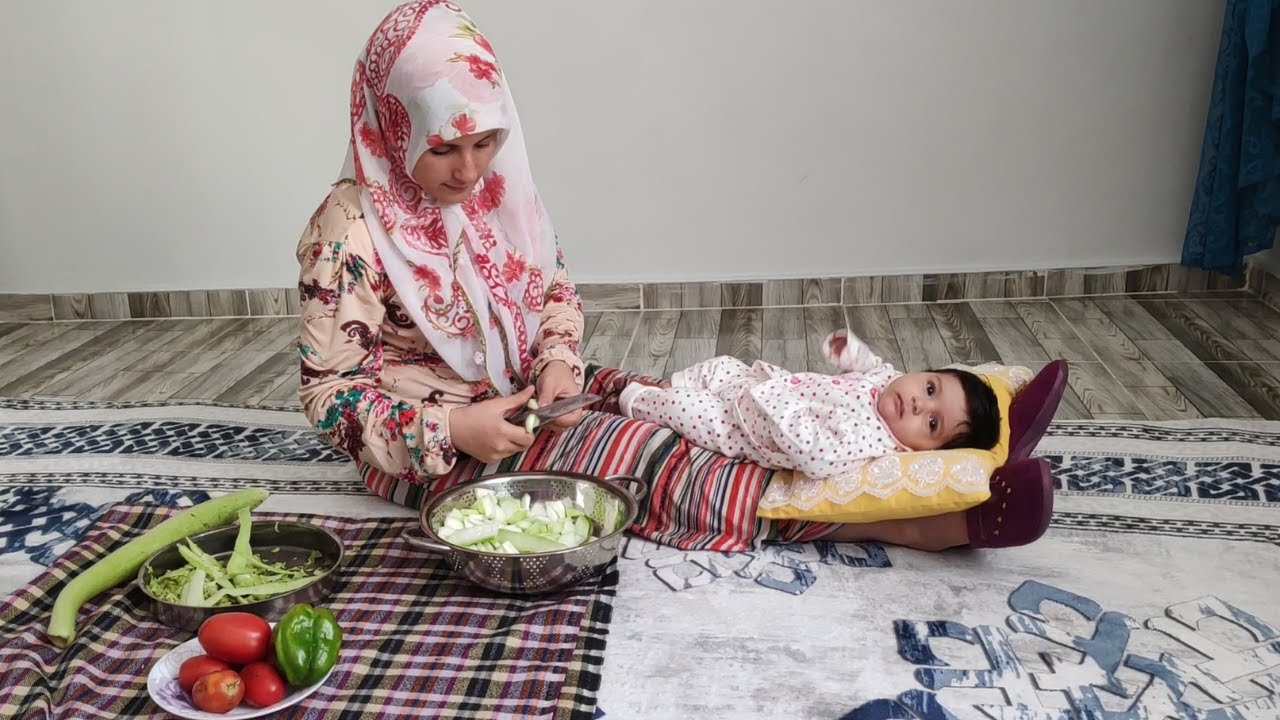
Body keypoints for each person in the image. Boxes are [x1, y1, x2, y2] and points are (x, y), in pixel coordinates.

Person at [295, 1, 1051, 555]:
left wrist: (558, 357)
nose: (470, 171)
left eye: (488, 141)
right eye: (444, 149)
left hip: (527, 387)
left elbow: (551, 289)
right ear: (394, 128)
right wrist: (457, 428)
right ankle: (922, 521)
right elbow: (328, 394)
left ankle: (970, 418)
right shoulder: (352, 230)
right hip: (440, 443)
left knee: (676, 404)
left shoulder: (496, 190)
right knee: (645, 465)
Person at [619, 329, 1000, 479]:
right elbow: (872, 365)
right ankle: (670, 383)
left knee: (690, 410)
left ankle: (639, 401)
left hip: (747, 430)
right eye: (930, 389)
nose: (919, 404)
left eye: (932, 425)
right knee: (722, 364)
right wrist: (849, 351)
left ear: (921, 450)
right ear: (924, 373)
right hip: (754, 385)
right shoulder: (890, 382)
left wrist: (779, 398)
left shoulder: (869, 438)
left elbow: (813, 453)